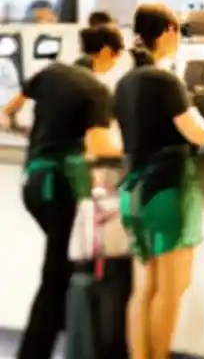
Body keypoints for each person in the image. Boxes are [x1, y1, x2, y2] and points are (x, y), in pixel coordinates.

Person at [114, 4, 204, 359]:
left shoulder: (125, 82)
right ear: (168, 31)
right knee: (172, 287)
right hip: (166, 190)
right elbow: (194, 132)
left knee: (143, 288)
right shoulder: (165, 80)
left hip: (133, 192)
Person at [1, 25, 122, 359]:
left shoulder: (50, 72)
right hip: (60, 188)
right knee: (58, 275)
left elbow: (8, 110)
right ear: (109, 53)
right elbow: (100, 146)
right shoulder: (97, 91)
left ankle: (70, 343)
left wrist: (32, 133)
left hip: (33, 183)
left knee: (65, 270)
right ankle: (36, 352)